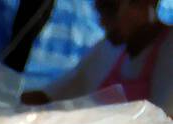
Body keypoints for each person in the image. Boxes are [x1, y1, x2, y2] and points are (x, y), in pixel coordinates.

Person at [23, 0, 172, 109]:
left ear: (144, 4)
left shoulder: (168, 49)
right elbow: (54, 93)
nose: (102, 22)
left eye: (109, 10)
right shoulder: (110, 48)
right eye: (99, 11)